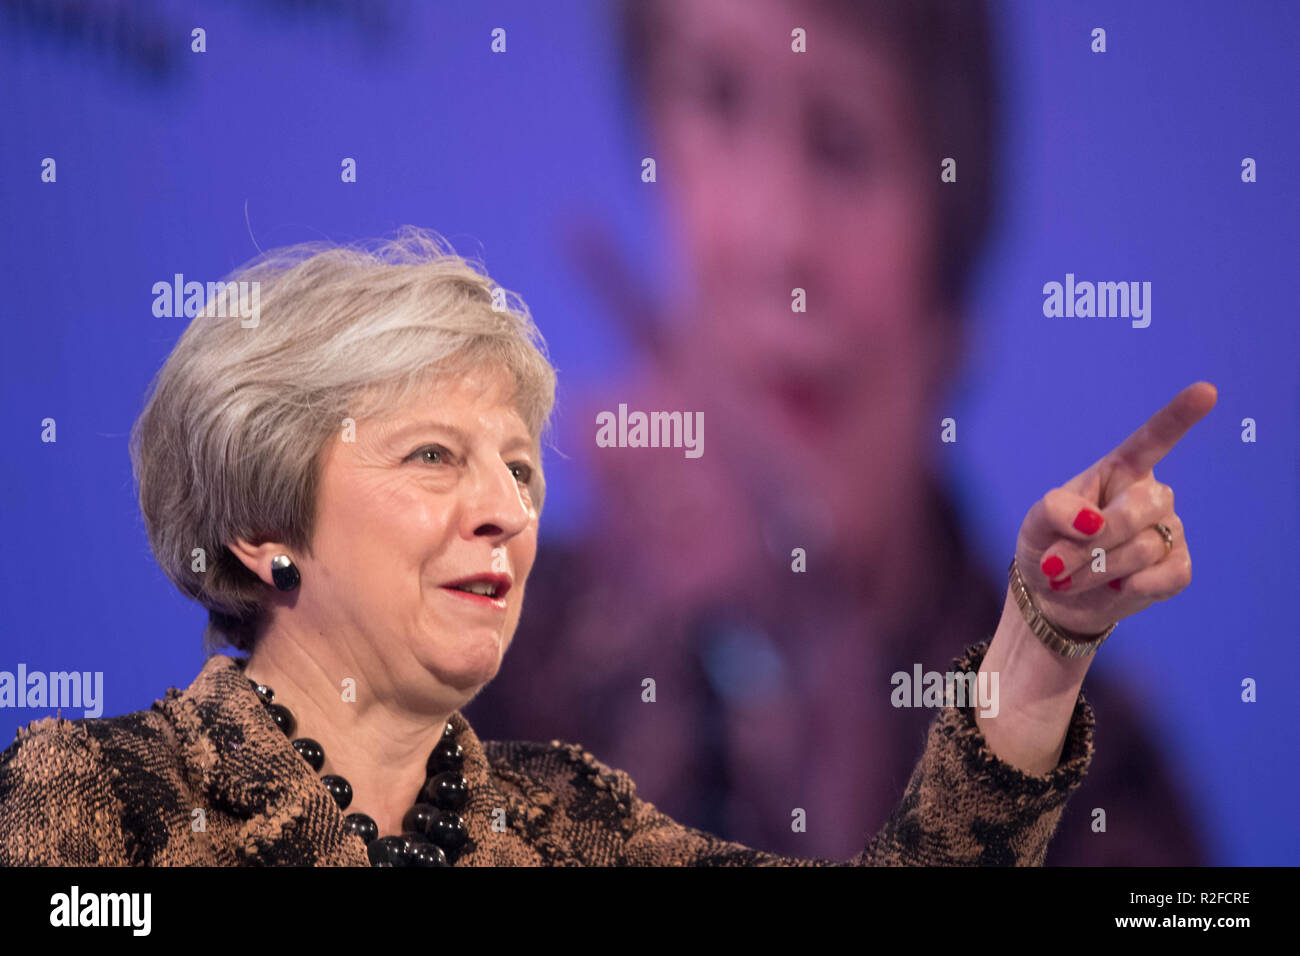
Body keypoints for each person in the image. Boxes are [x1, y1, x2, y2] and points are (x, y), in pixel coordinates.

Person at [0, 229, 1213, 866]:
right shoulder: (99, 803)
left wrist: (1044, 633)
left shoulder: (569, 823)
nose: (507, 510)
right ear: (262, 527)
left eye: (521, 469)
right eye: (434, 457)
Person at [466, 0, 1209, 864]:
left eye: (844, 142)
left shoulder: (1084, 768)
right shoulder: (489, 669)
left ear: (950, 294)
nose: (773, 240)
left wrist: (804, 662)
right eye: (715, 98)